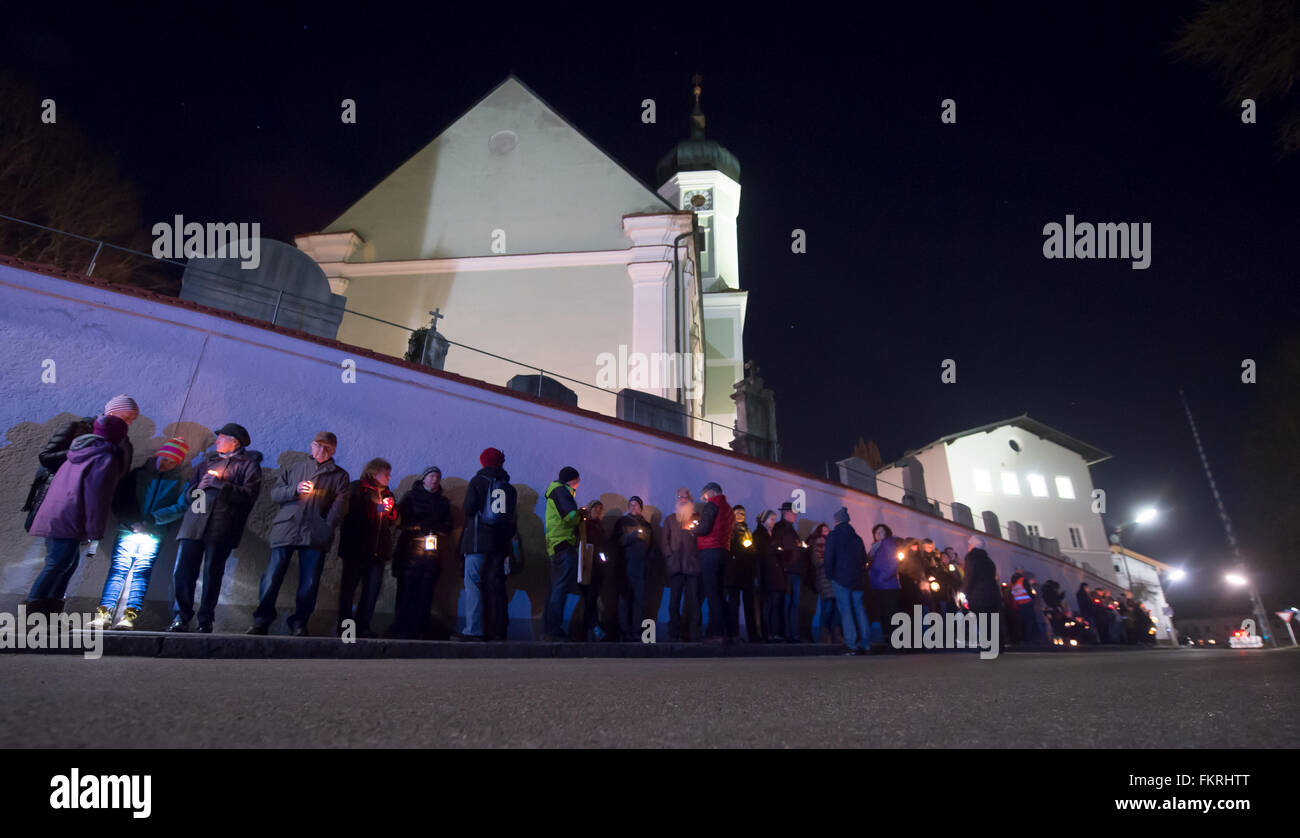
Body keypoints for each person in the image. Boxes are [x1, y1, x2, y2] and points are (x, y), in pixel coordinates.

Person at [26, 415, 132, 615]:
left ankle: (48, 613)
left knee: (65, 563)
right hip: (71, 516)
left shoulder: (80, 450)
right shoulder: (104, 457)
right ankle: (34, 612)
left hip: (57, 513)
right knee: (58, 564)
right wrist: (94, 529)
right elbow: (96, 496)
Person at [250, 432, 350, 636]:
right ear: (311, 446)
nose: (322, 451)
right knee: (272, 575)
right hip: (287, 527)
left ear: (334, 451)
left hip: (315, 532)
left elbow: (340, 506)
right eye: (318, 446)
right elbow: (276, 493)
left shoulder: (339, 475)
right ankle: (261, 620)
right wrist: (295, 489)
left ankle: (299, 622)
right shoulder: (295, 468)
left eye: (327, 448)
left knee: (310, 581)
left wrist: (326, 526)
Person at [169, 423, 263, 633]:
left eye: (222, 437)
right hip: (194, 524)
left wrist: (221, 485)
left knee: (212, 573)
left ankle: (205, 619)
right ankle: (180, 617)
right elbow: (188, 495)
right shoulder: (206, 463)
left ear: (234, 441)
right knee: (183, 571)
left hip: (222, 525)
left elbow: (249, 496)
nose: (217, 440)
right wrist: (199, 488)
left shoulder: (249, 465)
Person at [90, 436, 191, 630]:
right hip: (128, 530)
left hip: (153, 534)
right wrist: (134, 521)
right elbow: (121, 499)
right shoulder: (137, 475)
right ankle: (103, 614)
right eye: (165, 459)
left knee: (141, 574)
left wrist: (153, 519)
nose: (167, 464)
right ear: (158, 455)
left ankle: (130, 616)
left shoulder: (180, 482)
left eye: (172, 462)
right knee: (118, 571)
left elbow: (180, 507)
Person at [457, 447, 517, 641]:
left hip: (477, 541)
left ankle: (474, 630)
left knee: (473, 583)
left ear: (483, 462)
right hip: (500, 544)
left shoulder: (478, 482)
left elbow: (468, 509)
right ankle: (497, 630)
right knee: (496, 586)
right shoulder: (509, 488)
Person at [336, 458, 397, 638]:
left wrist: (390, 510)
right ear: (373, 473)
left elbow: (394, 520)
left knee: (371, 590)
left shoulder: (388, 493)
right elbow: (349, 515)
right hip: (356, 548)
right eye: (385, 473)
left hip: (377, 551)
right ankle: (346, 629)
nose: (389, 476)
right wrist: (372, 510)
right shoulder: (358, 488)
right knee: (349, 589)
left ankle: (363, 627)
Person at [391, 466, 452, 640]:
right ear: (424, 478)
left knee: (426, 591)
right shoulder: (411, 497)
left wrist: (436, 528)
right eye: (431, 476)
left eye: (438, 477)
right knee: (407, 590)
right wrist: (417, 526)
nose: (435, 479)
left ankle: (421, 628)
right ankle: (402, 627)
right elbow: (400, 521)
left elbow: (448, 526)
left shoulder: (443, 502)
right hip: (410, 551)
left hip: (432, 554)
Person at [543, 466, 582, 641]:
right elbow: (570, 516)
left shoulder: (555, 491)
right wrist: (582, 514)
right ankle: (554, 630)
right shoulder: (562, 491)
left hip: (556, 544)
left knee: (554, 588)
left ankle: (547, 628)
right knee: (560, 589)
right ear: (572, 481)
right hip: (563, 543)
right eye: (577, 482)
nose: (578, 486)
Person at [825, 508, 870, 655]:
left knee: (846, 611)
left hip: (840, 578)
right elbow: (864, 559)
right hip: (857, 579)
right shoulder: (857, 538)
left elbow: (829, 557)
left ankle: (851, 644)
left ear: (837, 520)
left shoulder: (833, 535)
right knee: (859, 609)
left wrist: (829, 574)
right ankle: (866, 644)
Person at [661, 487, 701, 642]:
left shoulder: (697, 518)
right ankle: (673, 633)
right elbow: (664, 541)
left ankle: (694, 633)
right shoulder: (670, 519)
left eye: (685, 497)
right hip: (676, 566)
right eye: (679, 497)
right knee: (674, 601)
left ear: (690, 499)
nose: (682, 499)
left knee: (694, 601)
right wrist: (670, 557)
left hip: (692, 565)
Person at [612, 496, 654, 641]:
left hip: (641, 569)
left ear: (641, 507)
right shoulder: (622, 522)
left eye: (636, 505)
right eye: (631, 505)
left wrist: (650, 559)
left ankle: (637, 632)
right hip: (626, 568)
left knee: (639, 602)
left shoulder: (647, 526)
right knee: (624, 601)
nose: (633, 507)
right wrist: (632, 536)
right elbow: (616, 542)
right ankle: (624, 633)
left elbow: (652, 546)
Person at [695, 482, 733, 642]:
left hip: (710, 551)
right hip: (724, 551)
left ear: (710, 492)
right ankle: (728, 631)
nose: (704, 500)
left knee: (712, 592)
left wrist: (693, 529)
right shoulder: (729, 508)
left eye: (704, 496)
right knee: (719, 593)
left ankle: (717, 633)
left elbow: (705, 528)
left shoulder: (712, 504)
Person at [725, 505, 761, 642]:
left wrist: (750, 549)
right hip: (733, 572)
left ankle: (752, 635)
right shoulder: (729, 531)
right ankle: (733, 634)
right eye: (737, 513)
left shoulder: (747, 531)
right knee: (733, 604)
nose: (740, 515)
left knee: (749, 605)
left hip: (746, 572)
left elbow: (753, 550)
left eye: (743, 513)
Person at [574, 501, 608, 641]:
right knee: (589, 600)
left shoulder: (600, 526)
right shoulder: (585, 525)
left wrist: (604, 559)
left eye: (601, 509)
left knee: (591, 600)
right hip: (587, 566)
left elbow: (603, 545)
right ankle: (589, 629)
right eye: (596, 508)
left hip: (598, 567)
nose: (598, 511)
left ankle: (588, 630)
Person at [961, 535, 1001, 651]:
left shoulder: (972, 558)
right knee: (993, 620)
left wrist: (964, 591)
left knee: (983, 620)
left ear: (973, 545)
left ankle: (987, 645)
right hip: (993, 594)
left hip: (979, 595)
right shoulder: (988, 560)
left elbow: (970, 576)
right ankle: (997, 645)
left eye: (969, 544)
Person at [867, 523, 902, 648]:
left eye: (881, 531)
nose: (878, 533)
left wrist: (883, 576)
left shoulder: (887, 543)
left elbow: (892, 562)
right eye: (876, 532)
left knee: (890, 612)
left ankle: (895, 640)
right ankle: (888, 638)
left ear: (886, 533)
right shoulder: (875, 547)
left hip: (887, 584)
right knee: (883, 612)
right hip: (877, 584)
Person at [775, 501, 805, 641]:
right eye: (793, 513)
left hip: (793, 570)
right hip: (787, 571)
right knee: (788, 603)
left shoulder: (790, 529)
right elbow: (779, 549)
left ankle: (793, 633)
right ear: (785, 513)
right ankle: (788, 633)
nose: (795, 516)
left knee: (793, 603)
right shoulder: (780, 528)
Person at [805, 523, 839, 643]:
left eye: (828, 530)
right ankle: (826, 635)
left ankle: (832, 635)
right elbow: (817, 561)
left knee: (834, 607)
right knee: (828, 607)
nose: (827, 532)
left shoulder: (833, 543)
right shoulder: (819, 542)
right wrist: (830, 561)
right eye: (824, 530)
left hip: (832, 578)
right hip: (825, 578)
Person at [757, 509, 785, 640]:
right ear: (765, 520)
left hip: (774, 575)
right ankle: (767, 633)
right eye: (772, 519)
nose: (774, 522)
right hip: (766, 576)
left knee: (775, 605)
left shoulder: (772, 535)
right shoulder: (759, 535)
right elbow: (760, 555)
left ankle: (774, 632)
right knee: (767, 605)